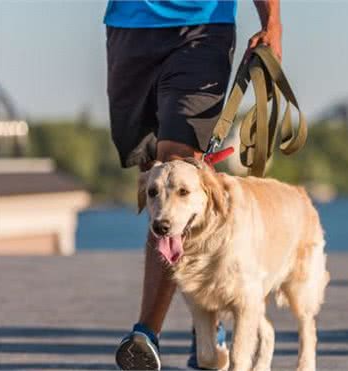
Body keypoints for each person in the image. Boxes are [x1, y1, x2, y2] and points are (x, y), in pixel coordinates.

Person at [104, 1, 282, 369]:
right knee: (153, 171)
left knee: (176, 167)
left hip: (202, 28)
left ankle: (146, 334)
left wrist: (272, 21)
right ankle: (205, 316)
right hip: (129, 27)